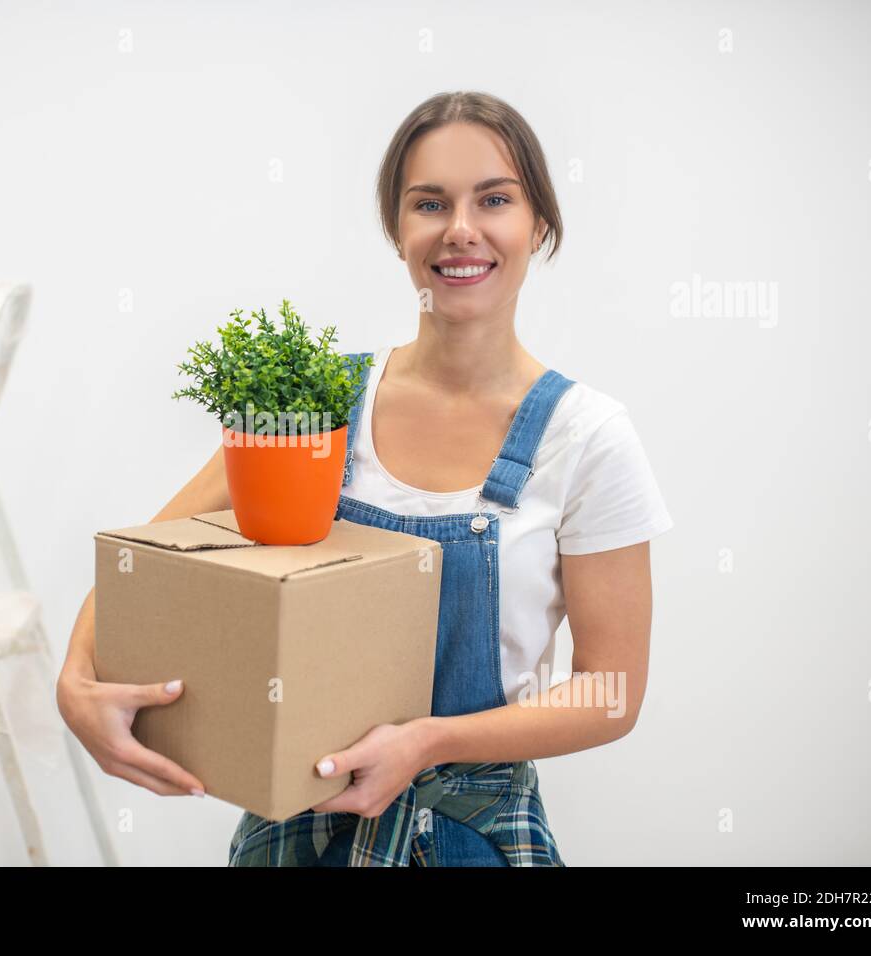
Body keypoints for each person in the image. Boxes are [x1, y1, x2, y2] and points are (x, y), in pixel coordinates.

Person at [56, 90, 673, 867]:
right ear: (396, 229)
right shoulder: (319, 405)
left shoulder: (587, 439)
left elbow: (609, 693)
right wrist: (76, 680)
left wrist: (429, 742)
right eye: (429, 203)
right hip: (297, 830)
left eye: (495, 199)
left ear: (538, 224)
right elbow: (146, 563)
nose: (460, 229)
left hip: (473, 836)